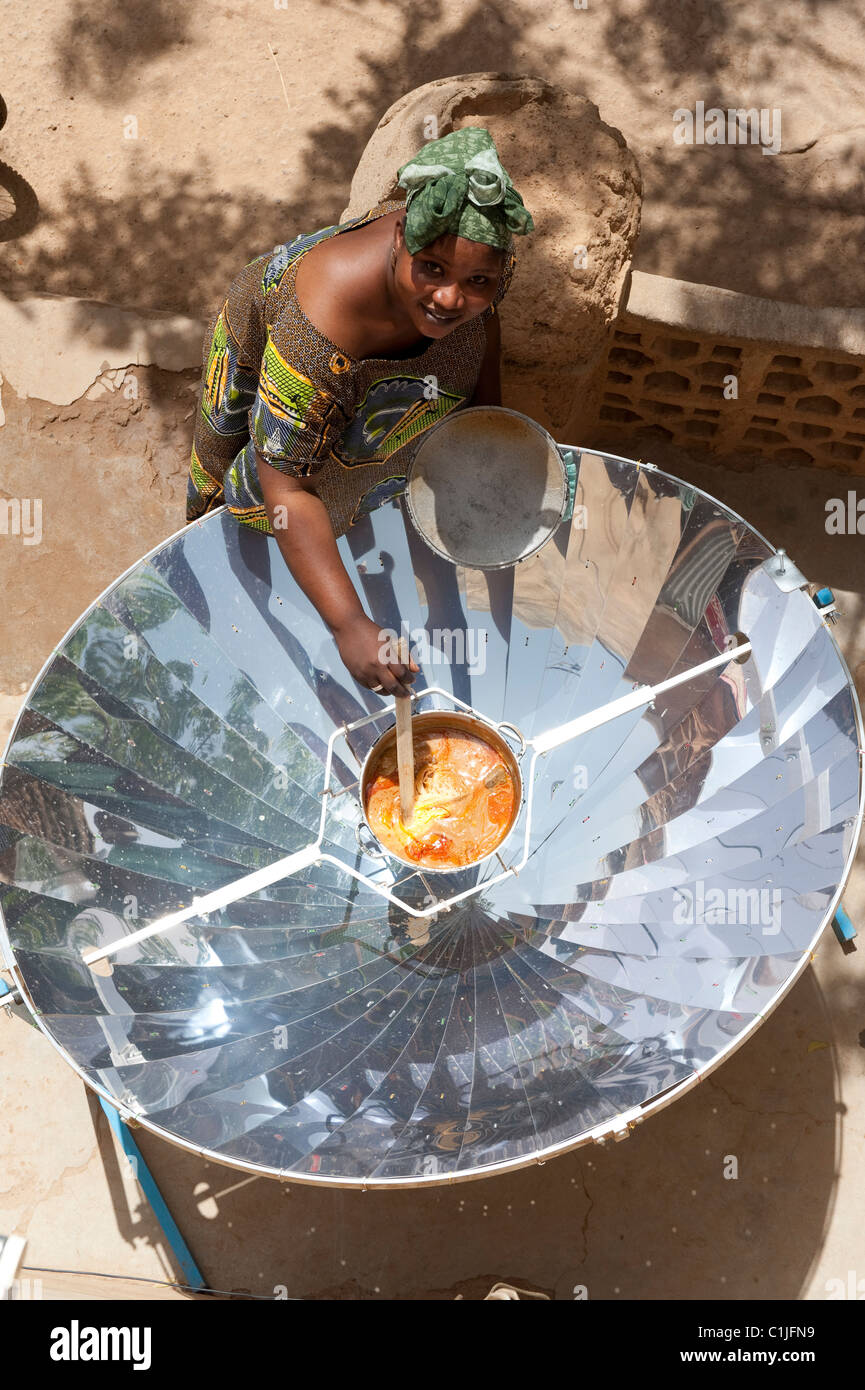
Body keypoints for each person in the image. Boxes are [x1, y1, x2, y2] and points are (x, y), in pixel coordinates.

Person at [187, 126, 534, 694]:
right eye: (433, 271)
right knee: (277, 487)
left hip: (362, 400)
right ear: (399, 240)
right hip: (291, 406)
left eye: (478, 281)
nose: (451, 298)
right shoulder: (318, 335)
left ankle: (346, 517)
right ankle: (236, 565)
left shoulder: (467, 301)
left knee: (359, 466)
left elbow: (480, 392)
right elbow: (287, 489)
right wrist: (349, 623)